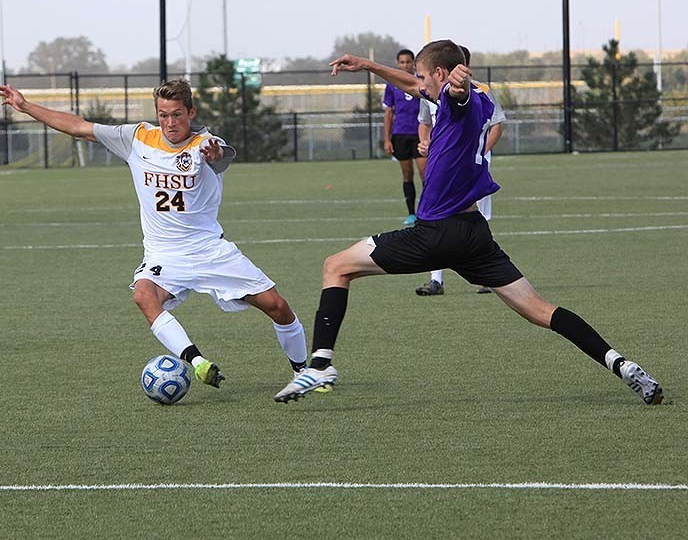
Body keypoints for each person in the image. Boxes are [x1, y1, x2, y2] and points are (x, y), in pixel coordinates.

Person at [274, 40, 663, 405]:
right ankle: (621, 364)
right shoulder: (476, 97)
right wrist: (367, 65)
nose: (419, 85)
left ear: (442, 74)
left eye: (427, 78)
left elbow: (454, 95)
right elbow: (415, 84)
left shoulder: (459, 99)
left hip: (438, 233)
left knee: (336, 266)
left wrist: (457, 85)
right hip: (474, 235)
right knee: (540, 310)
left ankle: (320, 366)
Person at [0, 79, 309, 390]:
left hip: (210, 251)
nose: (170, 122)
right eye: (163, 115)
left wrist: (215, 155)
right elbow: (78, 126)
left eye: (176, 115)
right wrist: (24, 106)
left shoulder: (205, 145)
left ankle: (303, 372)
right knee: (143, 295)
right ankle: (197, 363)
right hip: (164, 255)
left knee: (277, 306)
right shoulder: (137, 138)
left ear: (191, 113)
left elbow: (222, 155)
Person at [416, 45, 505, 296]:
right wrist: (426, 142)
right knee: (437, 218)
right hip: (444, 165)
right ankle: (436, 279)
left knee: (478, 216)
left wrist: (476, 152)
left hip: (474, 165)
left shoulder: (479, 91)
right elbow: (424, 123)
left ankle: (486, 275)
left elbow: (497, 125)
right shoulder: (430, 90)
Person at [381, 49, 423, 226]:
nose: (405, 65)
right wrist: (387, 138)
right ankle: (411, 213)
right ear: (398, 64)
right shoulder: (392, 84)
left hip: (421, 134)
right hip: (400, 134)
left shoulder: (421, 82)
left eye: (408, 62)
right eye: (402, 62)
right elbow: (389, 113)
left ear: (414, 63)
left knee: (426, 175)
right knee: (407, 175)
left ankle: (426, 213)